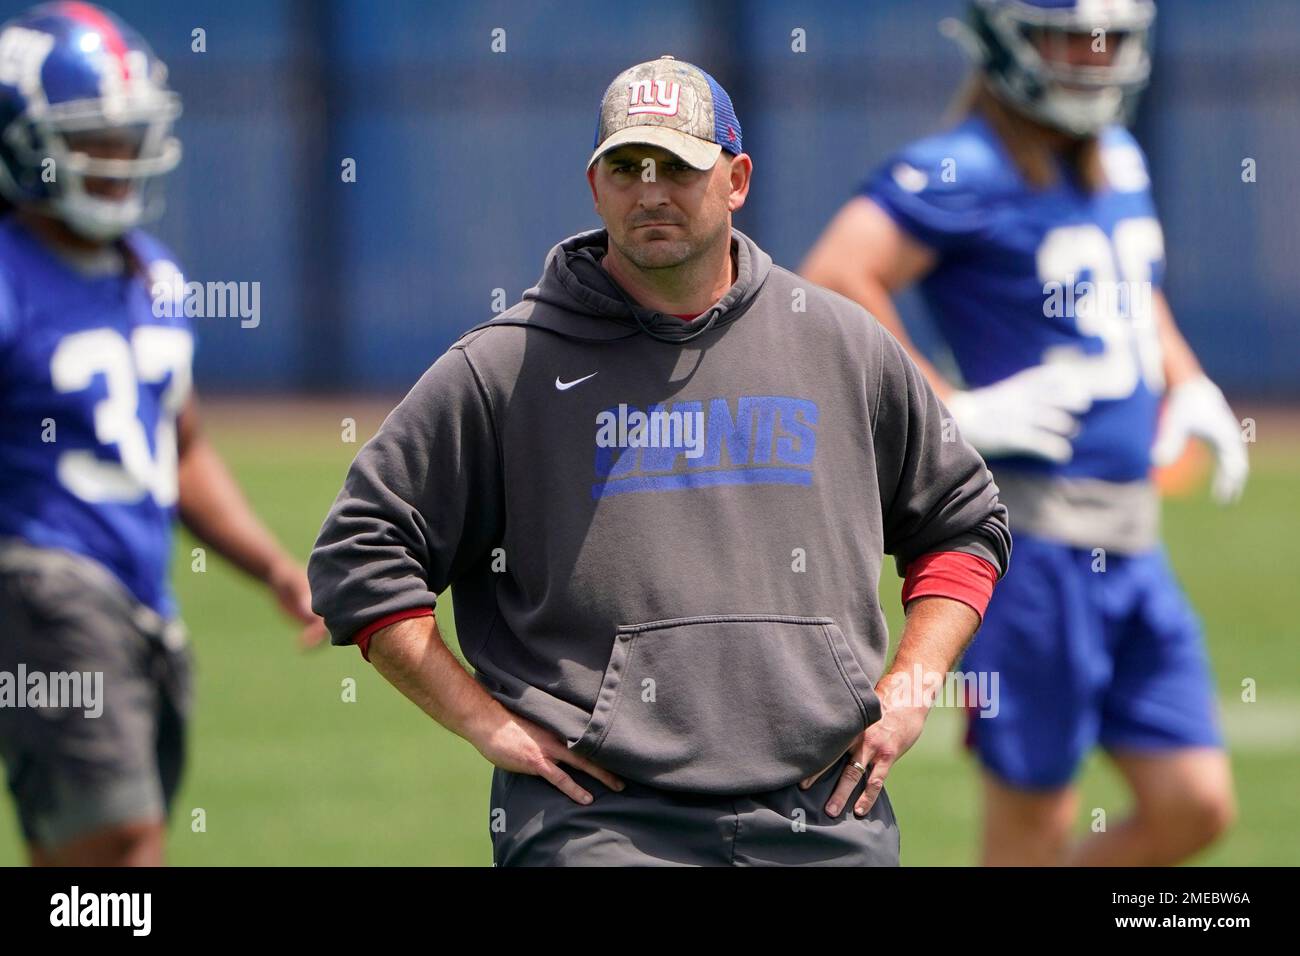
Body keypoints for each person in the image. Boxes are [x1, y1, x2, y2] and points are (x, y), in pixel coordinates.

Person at [309, 55, 1011, 867]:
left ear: (736, 179)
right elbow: (360, 555)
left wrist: (912, 690)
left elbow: (964, 523)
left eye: (678, 166)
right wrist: (483, 719)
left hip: (825, 813)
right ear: (595, 184)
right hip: (602, 822)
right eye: (627, 167)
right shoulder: (505, 367)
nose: (650, 191)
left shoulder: (841, 344)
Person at [801, 0, 1243, 865]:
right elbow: (834, 275)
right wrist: (947, 407)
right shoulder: (961, 167)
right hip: (1037, 548)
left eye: (1110, 38)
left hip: (1132, 543)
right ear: (1009, 40)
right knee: (1033, 823)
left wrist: (1188, 381)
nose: (1094, 56)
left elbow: (1129, 290)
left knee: (1196, 804)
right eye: (1071, 36)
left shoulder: (1114, 156)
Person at [0, 2, 323, 867]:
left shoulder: (152, 274)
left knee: (88, 853)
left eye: (124, 135)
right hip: (43, 589)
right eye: (92, 137)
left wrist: (272, 566)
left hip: (139, 599)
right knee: (119, 845)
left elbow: (180, 449)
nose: (115, 157)